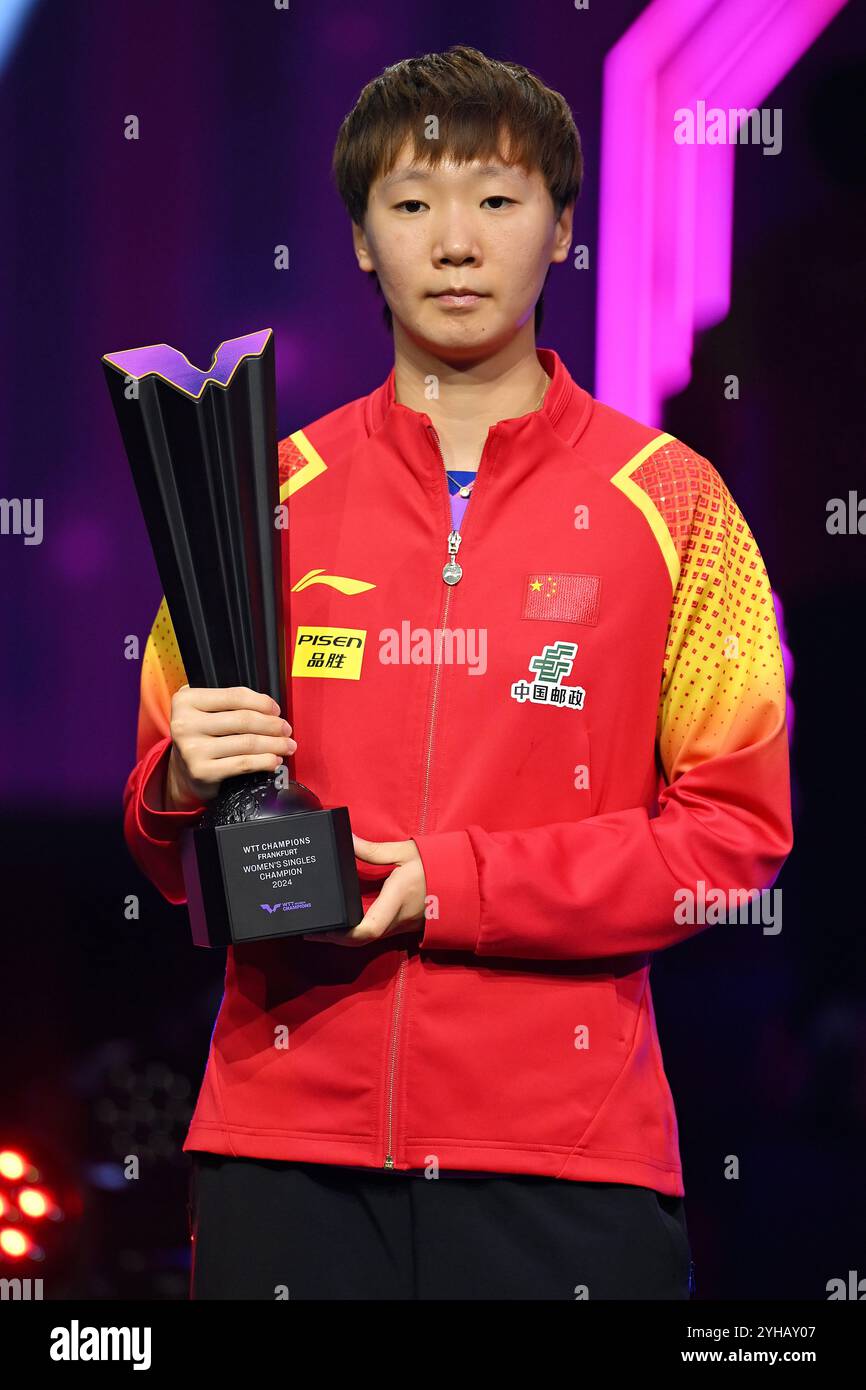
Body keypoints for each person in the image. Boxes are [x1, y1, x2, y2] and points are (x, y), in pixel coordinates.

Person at [122, 44, 793, 1300]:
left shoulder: (674, 507)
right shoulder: (256, 495)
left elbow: (731, 840)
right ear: (365, 240)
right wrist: (174, 782)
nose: (455, 242)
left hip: (566, 1162)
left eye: (496, 200)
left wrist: (458, 884)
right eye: (411, 203)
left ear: (561, 231)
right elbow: (163, 830)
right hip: (285, 1148)